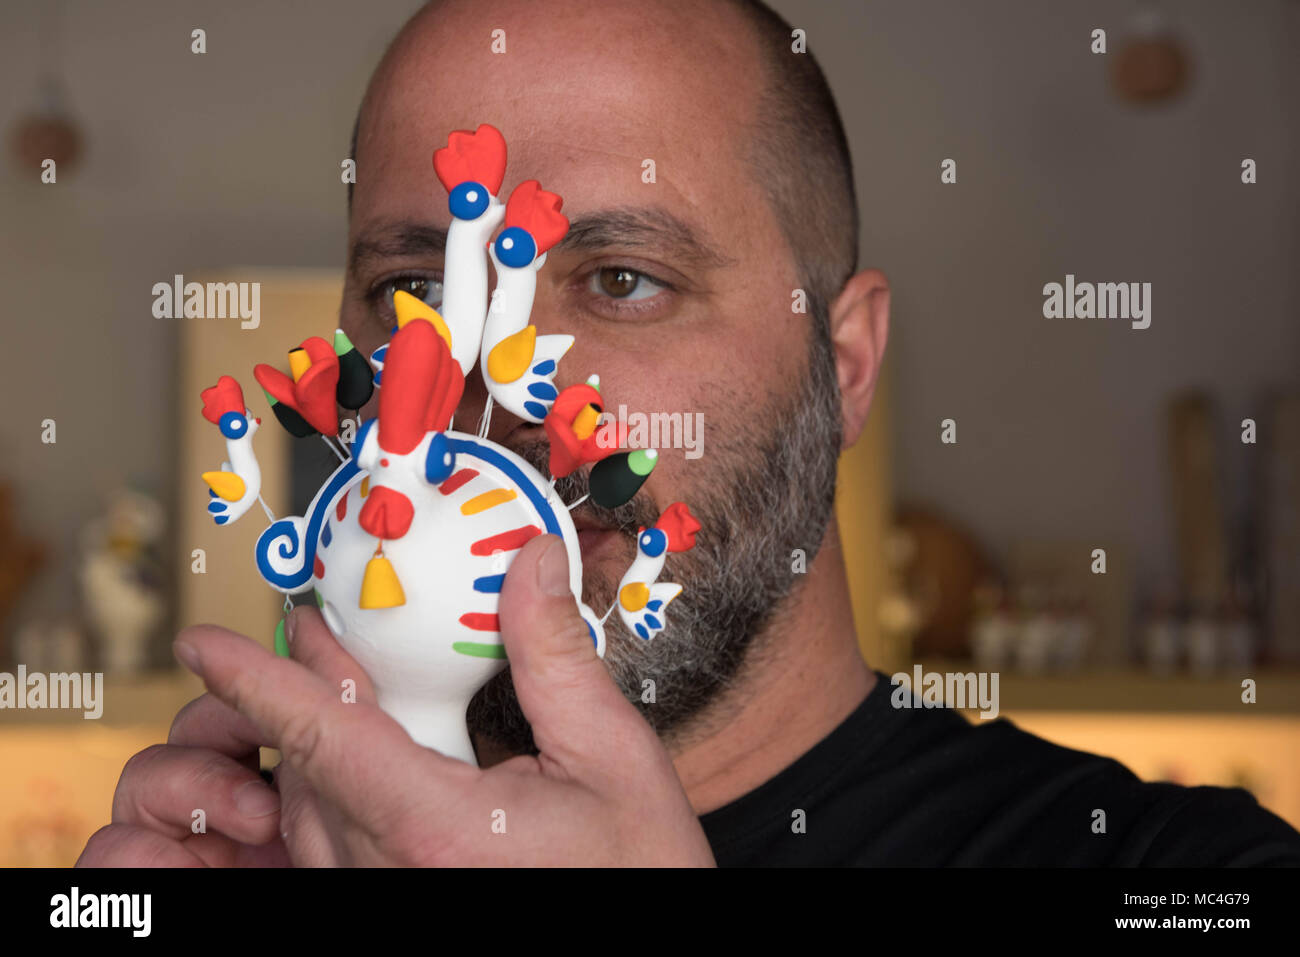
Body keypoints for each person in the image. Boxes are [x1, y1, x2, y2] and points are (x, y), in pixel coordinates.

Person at [78, 0, 1300, 867]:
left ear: (847, 362)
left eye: (621, 281)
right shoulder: (259, 846)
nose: (503, 396)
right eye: (417, 295)